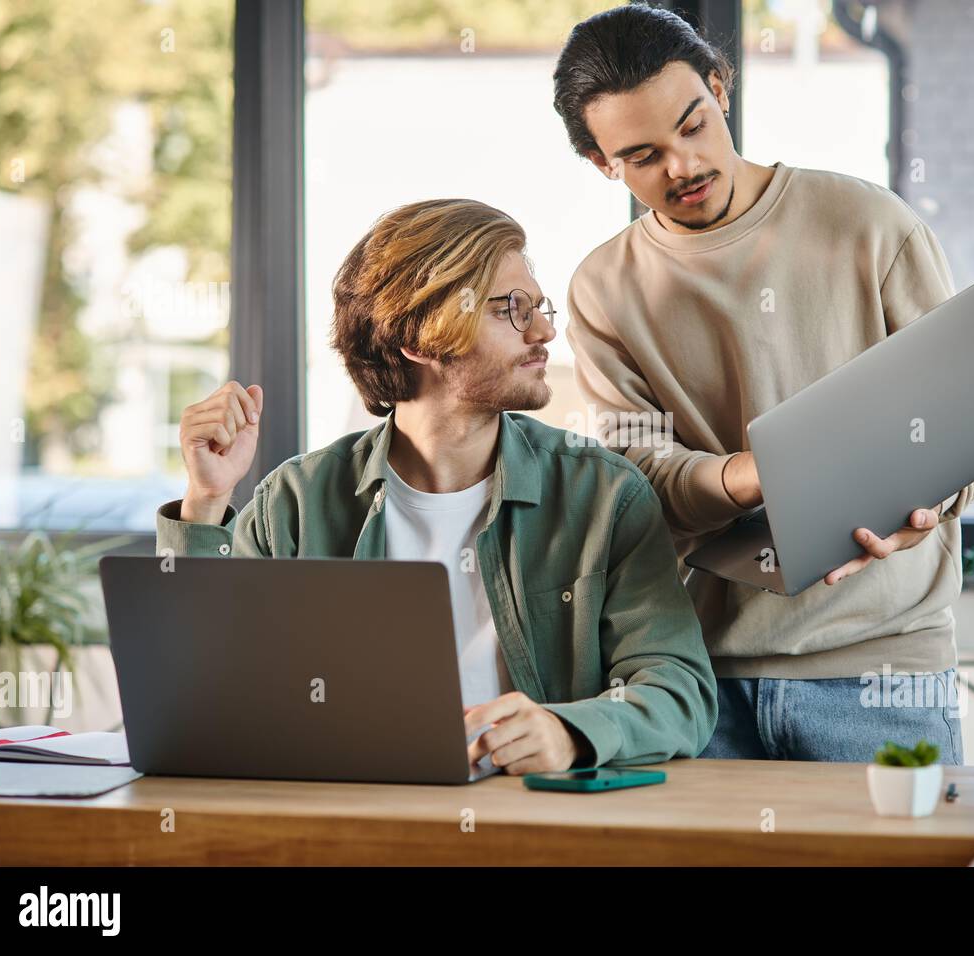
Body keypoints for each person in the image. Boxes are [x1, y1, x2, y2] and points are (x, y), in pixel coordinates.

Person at [554, 4, 974, 763]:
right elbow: (635, 478)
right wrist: (743, 477)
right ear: (604, 165)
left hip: (883, 672)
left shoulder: (870, 226)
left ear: (720, 89)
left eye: (694, 125)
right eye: (643, 155)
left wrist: (926, 504)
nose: (684, 167)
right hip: (695, 684)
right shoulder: (603, 288)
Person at [156, 198, 717, 775]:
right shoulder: (295, 502)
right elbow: (202, 696)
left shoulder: (603, 495)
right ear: (419, 338)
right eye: (511, 310)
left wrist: (571, 731)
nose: (545, 329)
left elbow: (680, 691)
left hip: (532, 824)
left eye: (538, 306)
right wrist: (206, 501)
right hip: (350, 819)